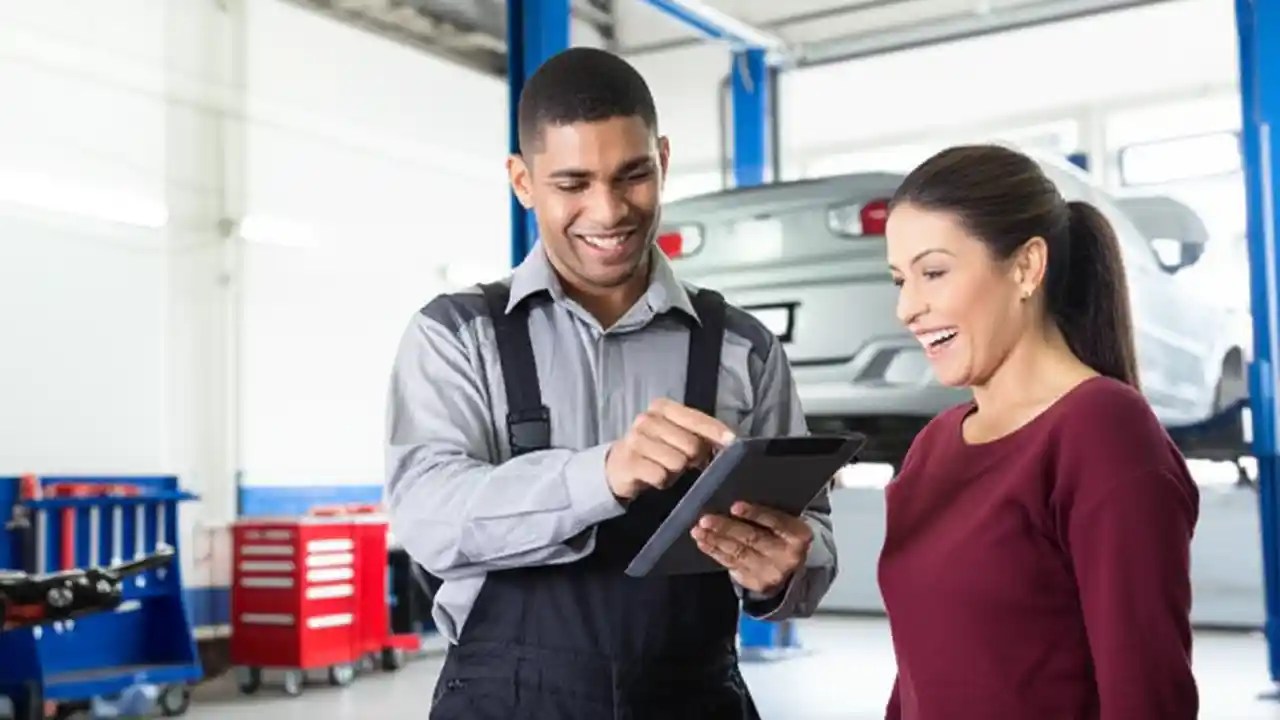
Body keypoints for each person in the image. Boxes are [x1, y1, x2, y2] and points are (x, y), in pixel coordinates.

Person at [384, 47, 837, 719]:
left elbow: (814, 538)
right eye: (572, 184)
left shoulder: (745, 348)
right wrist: (603, 474)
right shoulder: (456, 336)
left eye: (633, 176)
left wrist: (786, 574)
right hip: (505, 701)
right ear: (522, 180)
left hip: (691, 699)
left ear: (663, 159)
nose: (609, 211)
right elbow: (428, 517)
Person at [878, 144, 1200, 719]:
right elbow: (919, 676)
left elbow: (1147, 697)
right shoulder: (934, 447)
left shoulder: (1103, 431)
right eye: (899, 280)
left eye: (932, 273)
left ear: (1026, 267)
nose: (907, 308)